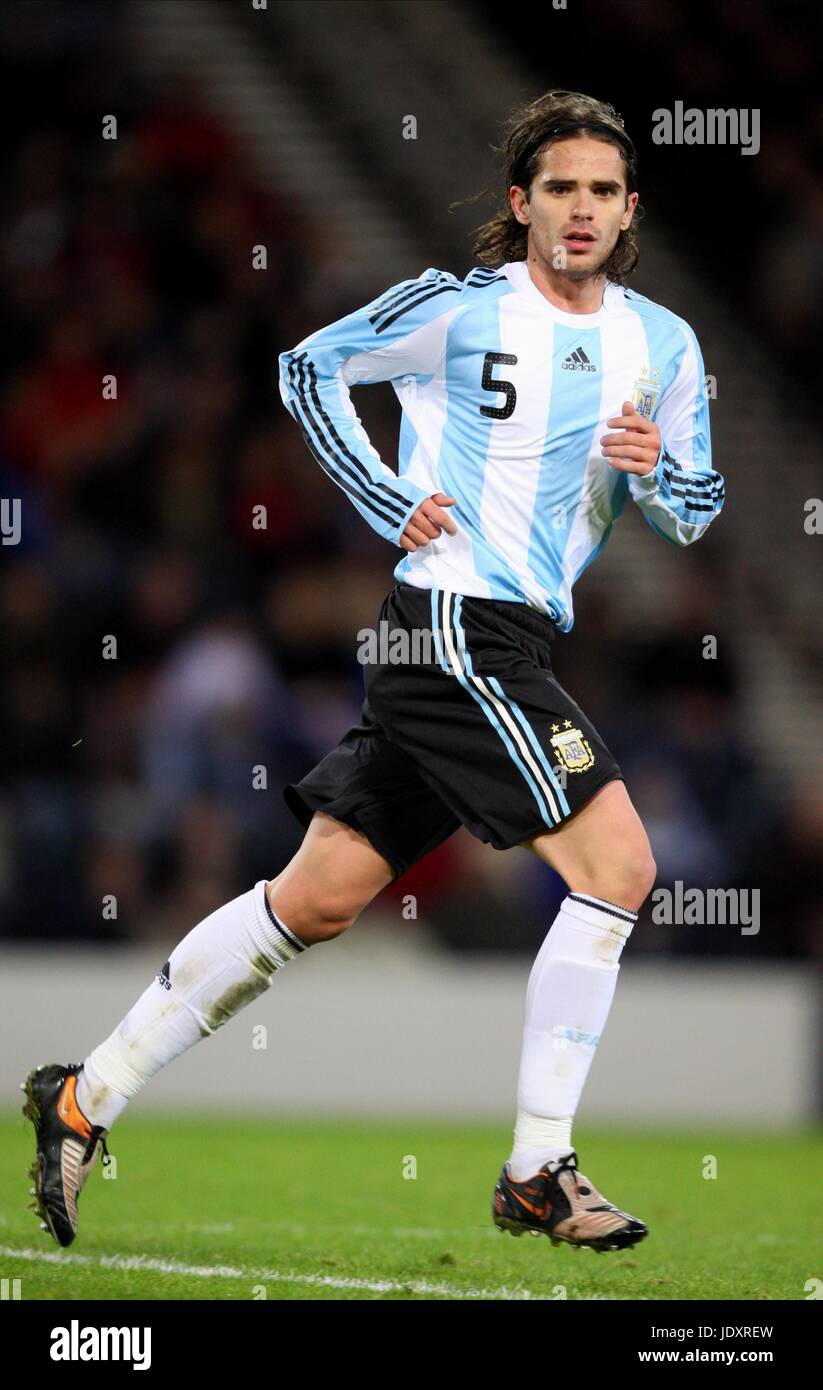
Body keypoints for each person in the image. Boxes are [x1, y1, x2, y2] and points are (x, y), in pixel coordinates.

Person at [23, 89, 724, 1254]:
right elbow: (310, 369)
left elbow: (696, 511)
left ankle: (83, 1094)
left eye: (603, 189)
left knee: (317, 899)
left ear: (629, 206)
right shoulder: (456, 310)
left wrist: (655, 471)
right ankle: (538, 1167)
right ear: (522, 202)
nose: (583, 207)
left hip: (506, 640)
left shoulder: (665, 345)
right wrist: (389, 497)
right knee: (621, 862)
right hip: (455, 622)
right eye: (560, 187)